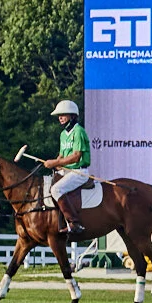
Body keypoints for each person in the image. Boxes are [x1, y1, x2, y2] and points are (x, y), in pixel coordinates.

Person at [39, 99, 94, 236]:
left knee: (56, 189)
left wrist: (55, 163)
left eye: (63, 114)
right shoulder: (63, 135)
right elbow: (61, 156)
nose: (60, 118)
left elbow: (76, 156)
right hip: (66, 171)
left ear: (73, 116)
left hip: (78, 172)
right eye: (59, 115)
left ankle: (74, 222)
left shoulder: (79, 131)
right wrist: (54, 163)